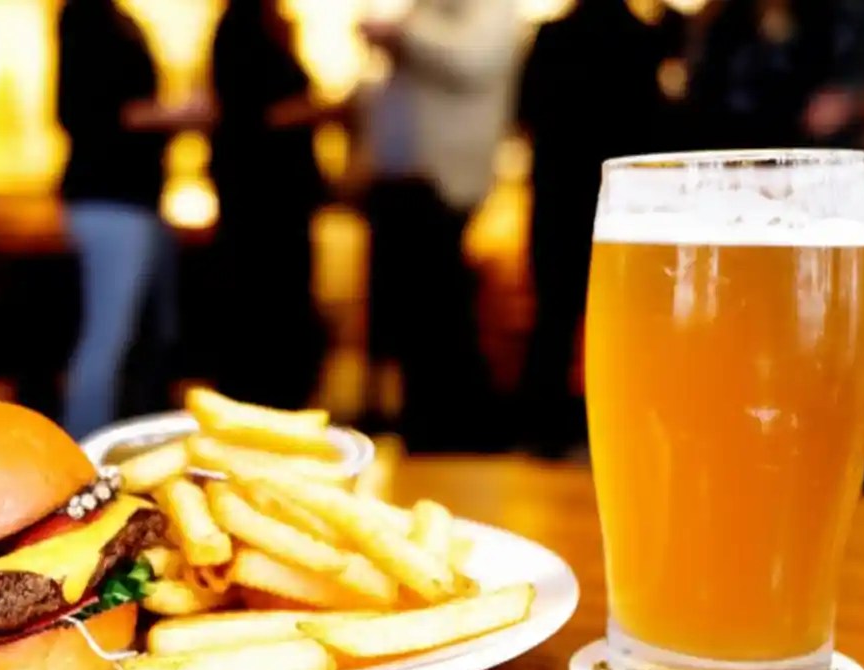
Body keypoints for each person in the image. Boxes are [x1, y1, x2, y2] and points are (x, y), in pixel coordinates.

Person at [515, 0, 684, 457]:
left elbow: (525, 115)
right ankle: (622, 435)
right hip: (629, 207)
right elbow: (663, 128)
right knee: (631, 325)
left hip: (556, 196)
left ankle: (541, 435)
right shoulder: (648, 39)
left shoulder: (552, 36)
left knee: (552, 319)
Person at [358, 0, 523, 452]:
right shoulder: (427, 11)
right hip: (405, 185)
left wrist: (401, 37)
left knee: (439, 319)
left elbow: (475, 58)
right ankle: (427, 433)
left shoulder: (483, 11)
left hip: (443, 184)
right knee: (417, 324)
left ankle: (453, 436)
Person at [56, 0, 210, 439]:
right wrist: (176, 115)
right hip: (110, 199)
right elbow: (89, 111)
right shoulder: (86, 19)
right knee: (108, 337)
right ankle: (82, 461)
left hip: (136, 200)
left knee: (149, 339)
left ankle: (135, 450)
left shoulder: (118, 20)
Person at [209, 0, 335, 409]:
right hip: (263, 204)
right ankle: (267, 410)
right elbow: (247, 113)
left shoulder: (263, 28)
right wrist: (322, 110)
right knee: (267, 310)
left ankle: (274, 403)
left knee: (276, 309)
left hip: (274, 203)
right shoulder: (241, 30)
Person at [685, 0, 864, 150]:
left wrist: (848, 104)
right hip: (734, 153)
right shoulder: (722, 16)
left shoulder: (851, 12)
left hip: (815, 157)